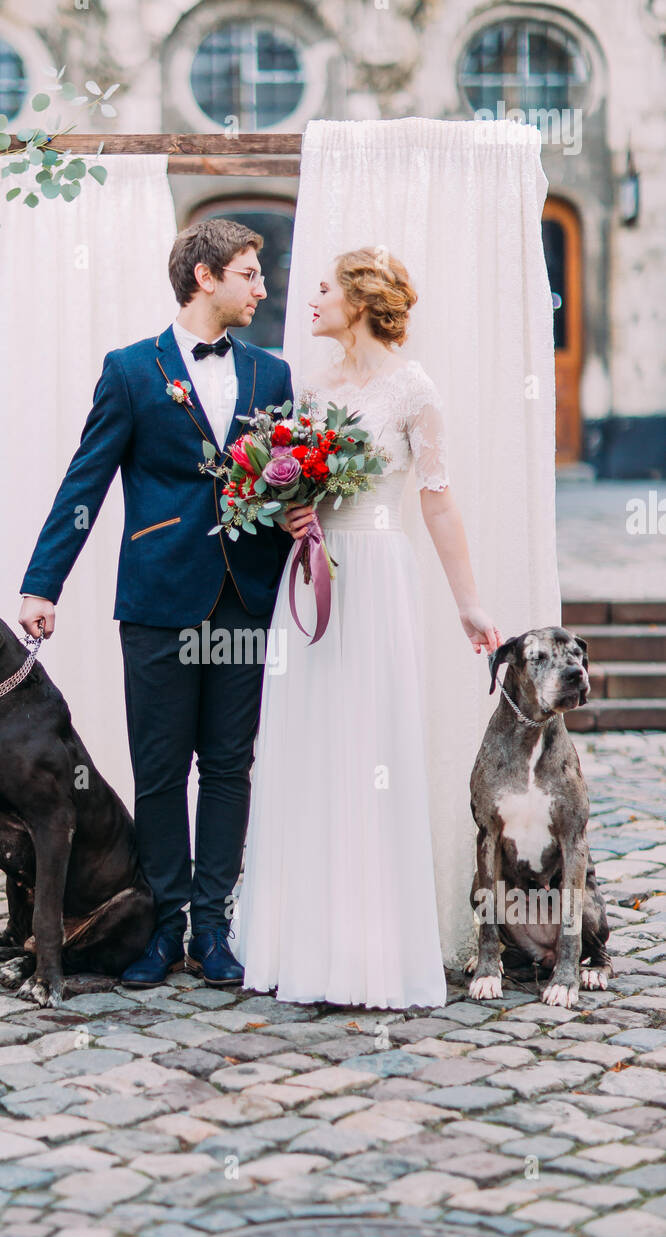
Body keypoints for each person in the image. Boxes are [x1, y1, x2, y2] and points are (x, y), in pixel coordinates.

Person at [18, 219, 297, 988]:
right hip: (158, 600)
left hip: (245, 597)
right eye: (249, 272)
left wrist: (302, 510)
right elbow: (86, 482)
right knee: (161, 768)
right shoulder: (131, 371)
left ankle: (214, 927)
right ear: (205, 277)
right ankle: (161, 926)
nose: (261, 287)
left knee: (231, 766)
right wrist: (44, 582)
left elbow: (287, 477)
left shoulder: (273, 375)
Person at [234, 246, 502, 1008]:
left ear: (359, 300)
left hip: (379, 579)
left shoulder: (414, 391)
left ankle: (370, 947)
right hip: (312, 574)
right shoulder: (310, 387)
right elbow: (293, 483)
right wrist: (292, 509)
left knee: (370, 747)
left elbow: (437, 499)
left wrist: (468, 601)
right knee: (305, 746)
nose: (306, 300)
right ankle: (300, 942)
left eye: (321, 290)